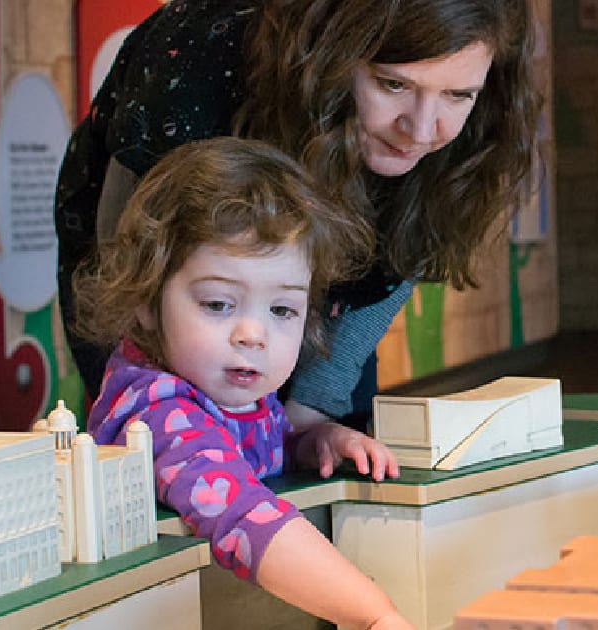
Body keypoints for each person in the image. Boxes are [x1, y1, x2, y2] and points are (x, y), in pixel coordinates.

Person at [55, 0, 541, 438]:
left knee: (323, 437)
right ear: (335, 53)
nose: (420, 128)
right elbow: (128, 268)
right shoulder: (202, 59)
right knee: (174, 445)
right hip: (150, 263)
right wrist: (169, 427)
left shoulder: (461, 126)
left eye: (457, 95)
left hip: (318, 255)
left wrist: (311, 418)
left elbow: (401, 248)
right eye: (393, 84)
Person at [73, 136, 410, 629]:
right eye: (217, 304)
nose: (253, 334)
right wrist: (375, 614)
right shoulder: (155, 408)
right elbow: (241, 515)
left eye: (281, 309)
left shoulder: (225, 389)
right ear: (145, 300)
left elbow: (244, 446)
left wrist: (308, 440)